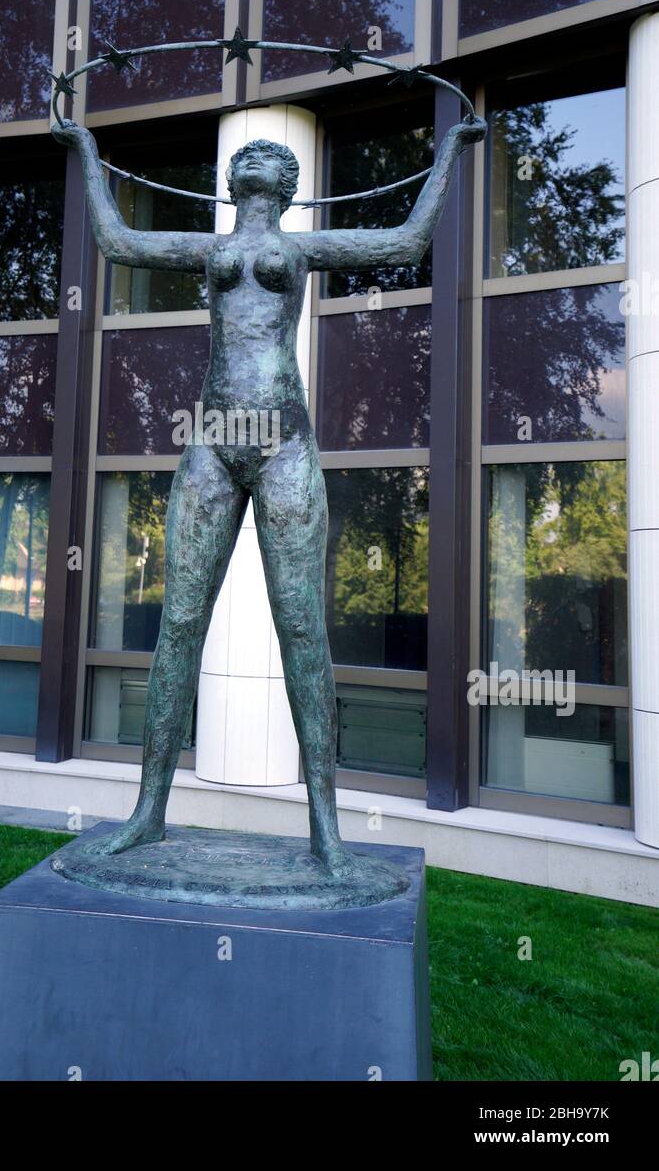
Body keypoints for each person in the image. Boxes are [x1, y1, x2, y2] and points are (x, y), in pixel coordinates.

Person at [52, 112, 486, 875]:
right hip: (213, 445)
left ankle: (327, 831)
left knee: (302, 629)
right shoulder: (210, 249)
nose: (253, 156)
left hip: (283, 442)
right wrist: (86, 150)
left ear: (288, 188)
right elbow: (119, 240)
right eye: (243, 153)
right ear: (231, 182)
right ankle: (148, 812)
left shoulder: (302, 247)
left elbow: (407, 239)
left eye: (269, 154)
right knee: (180, 622)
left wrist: (448, 146)